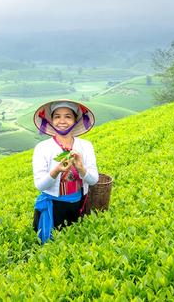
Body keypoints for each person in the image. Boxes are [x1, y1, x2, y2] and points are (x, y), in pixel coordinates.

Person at [32, 99, 99, 243]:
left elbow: (94, 180)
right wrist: (56, 171)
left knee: (73, 245)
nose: (62, 121)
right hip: (53, 208)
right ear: (51, 120)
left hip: (78, 206)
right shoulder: (42, 148)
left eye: (68, 116)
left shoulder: (86, 146)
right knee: (50, 249)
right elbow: (39, 185)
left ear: (75, 120)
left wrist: (81, 168)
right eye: (57, 116)